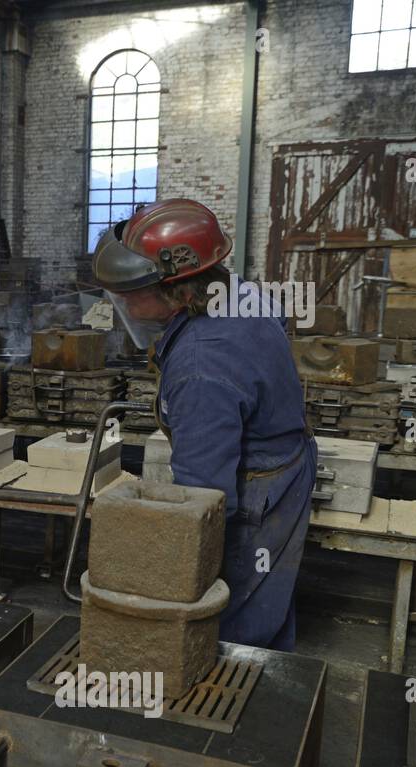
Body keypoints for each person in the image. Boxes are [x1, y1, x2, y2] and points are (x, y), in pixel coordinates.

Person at [91, 198, 317, 651]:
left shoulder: (201, 363)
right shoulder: (238, 292)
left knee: (231, 622)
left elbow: (203, 496)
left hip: (258, 489)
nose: (126, 302)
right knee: (267, 595)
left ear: (179, 290)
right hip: (288, 461)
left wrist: (172, 568)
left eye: (134, 291)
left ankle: (236, 698)